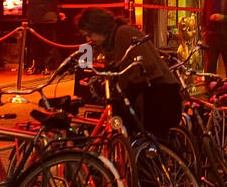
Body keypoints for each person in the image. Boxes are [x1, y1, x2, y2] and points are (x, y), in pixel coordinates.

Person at [76, 8, 182, 141]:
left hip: (159, 95)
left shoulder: (124, 33)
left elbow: (146, 68)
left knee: (149, 144)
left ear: (99, 27)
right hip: (145, 96)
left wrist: (125, 86)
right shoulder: (109, 42)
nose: (88, 39)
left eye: (90, 34)